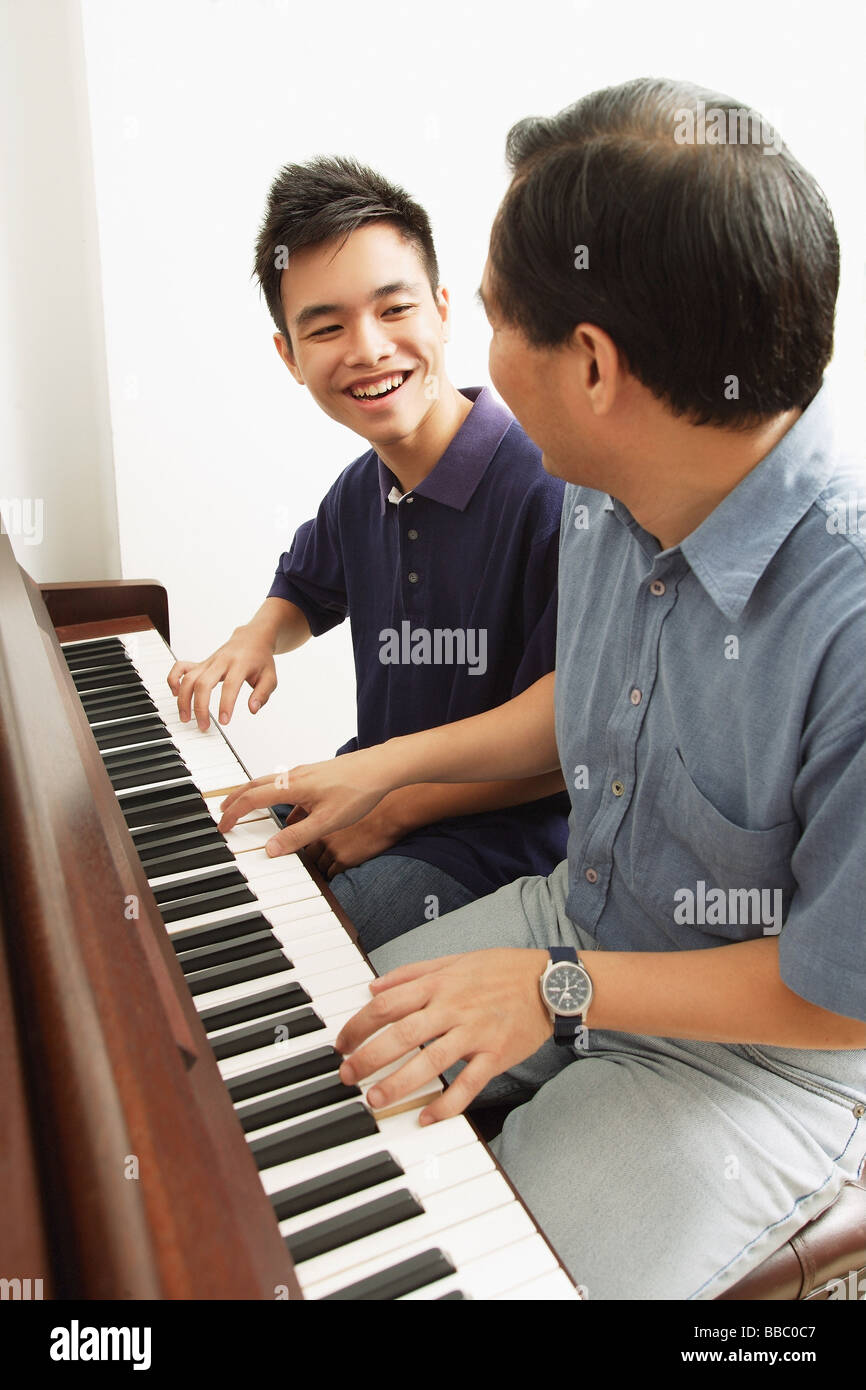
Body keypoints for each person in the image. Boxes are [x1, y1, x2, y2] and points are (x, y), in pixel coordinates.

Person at [218, 79, 866, 1299]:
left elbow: (844, 1001)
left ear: (592, 365)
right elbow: (576, 710)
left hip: (754, 1059)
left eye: (497, 312)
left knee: (462, 1262)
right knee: (290, 1074)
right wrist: (391, 781)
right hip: (574, 918)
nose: (471, 353)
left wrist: (556, 989)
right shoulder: (601, 478)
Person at [168, 156, 568, 951]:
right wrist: (255, 636)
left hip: (502, 849)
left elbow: (568, 739)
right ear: (289, 356)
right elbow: (304, 590)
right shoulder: (362, 489)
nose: (368, 347)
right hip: (374, 793)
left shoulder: (548, 482)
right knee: (187, 872)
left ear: (445, 310)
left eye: (394, 309)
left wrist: (389, 806)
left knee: (266, 952)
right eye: (326, 328)